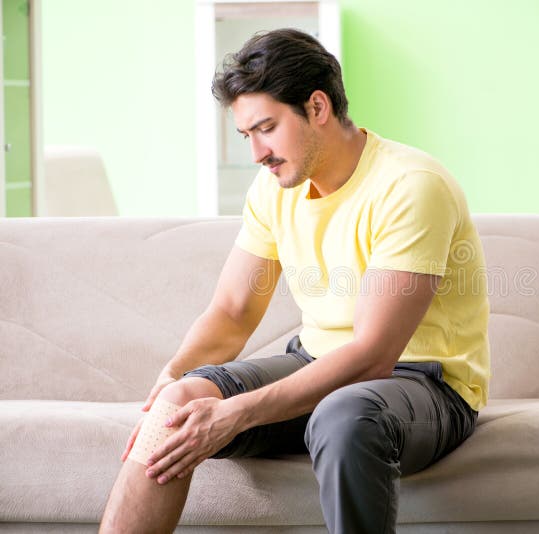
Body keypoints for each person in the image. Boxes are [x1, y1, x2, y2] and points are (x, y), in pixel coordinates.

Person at [99, 28, 489, 534]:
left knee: (344, 416)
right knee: (178, 406)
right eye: (246, 136)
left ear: (318, 106)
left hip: (424, 382)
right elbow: (234, 311)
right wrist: (172, 379)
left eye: (266, 128)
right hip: (316, 364)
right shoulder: (273, 190)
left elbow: (374, 355)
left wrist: (237, 413)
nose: (257, 153)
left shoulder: (410, 187)